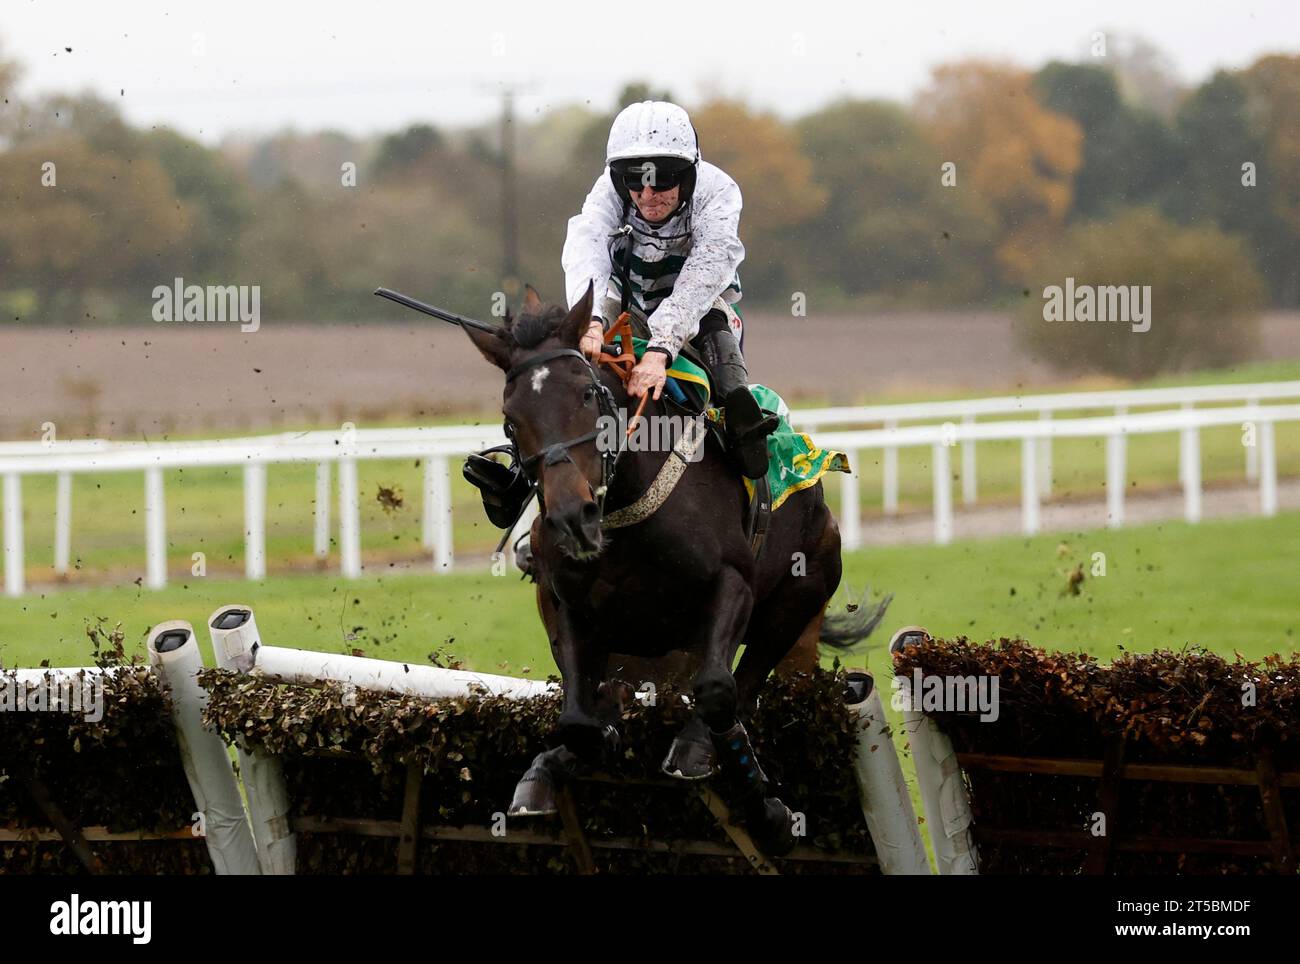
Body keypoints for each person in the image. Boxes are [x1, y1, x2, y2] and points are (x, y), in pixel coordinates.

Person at [562, 99, 778, 480]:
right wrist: (590, 321)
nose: (647, 196)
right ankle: (519, 472)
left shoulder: (718, 191)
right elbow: (587, 246)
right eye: (635, 180)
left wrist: (660, 351)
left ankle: (745, 438)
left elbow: (703, 273)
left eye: (663, 180)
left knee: (719, 344)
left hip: (702, 306)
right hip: (627, 304)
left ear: (688, 173)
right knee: (564, 353)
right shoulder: (607, 192)